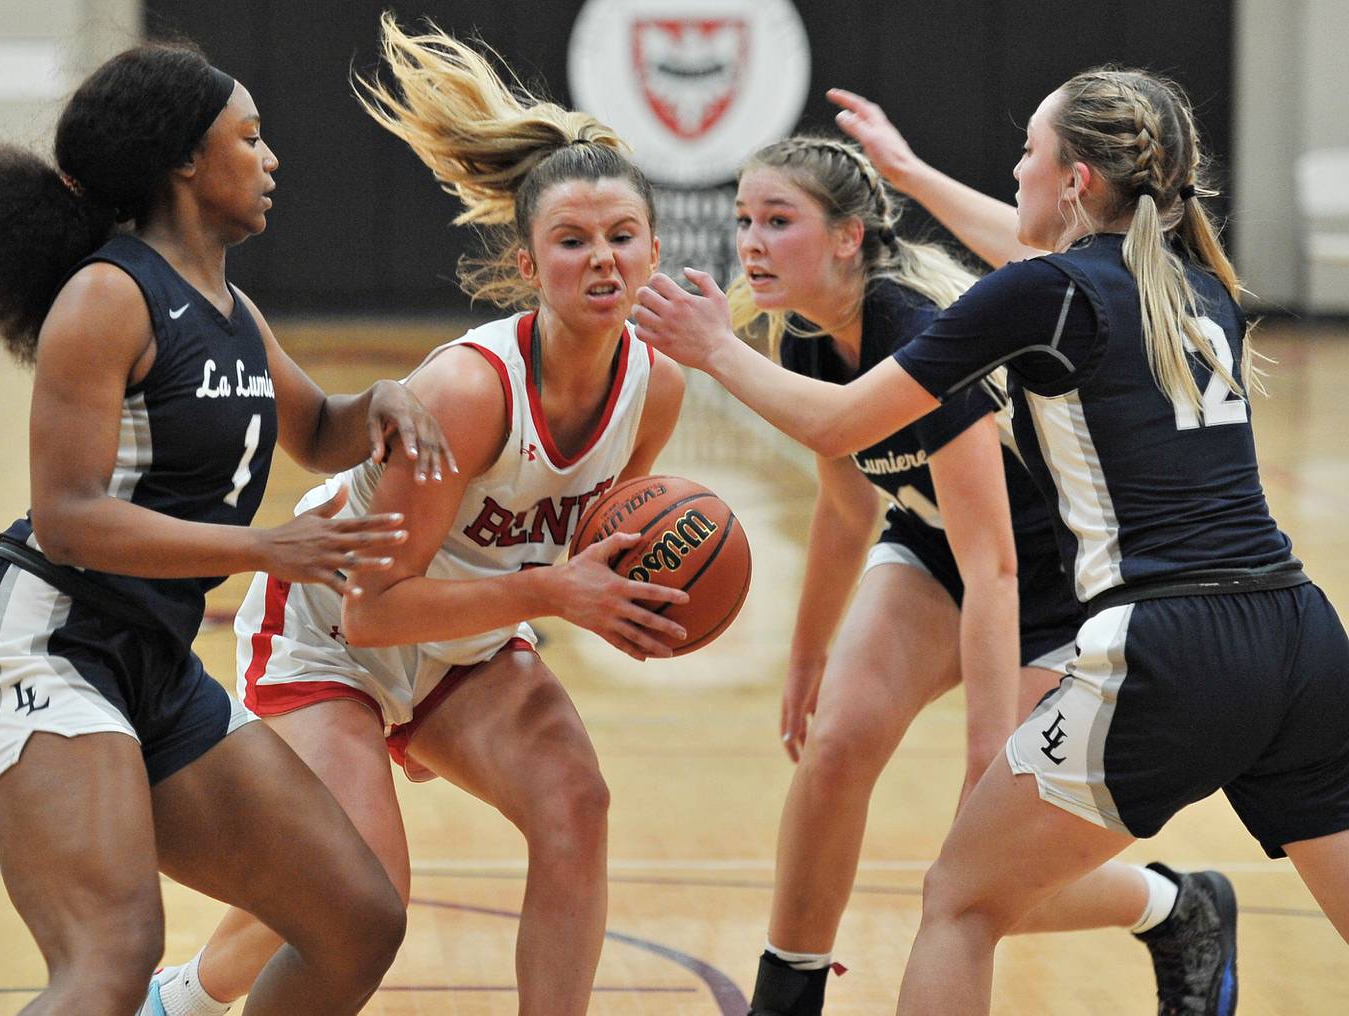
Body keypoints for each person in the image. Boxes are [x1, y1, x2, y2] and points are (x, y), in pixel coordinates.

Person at [635, 66, 1349, 1016]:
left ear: (1076, 181)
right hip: (1300, 633)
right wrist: (914, 174)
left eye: (1029, 151)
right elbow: (1033, 268)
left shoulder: (1048, 293)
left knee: (959, 903)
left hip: (1169, 646)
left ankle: (1172, 910)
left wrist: (716, 347)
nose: (1015, 169)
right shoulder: (1190, 284)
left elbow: (847, 423)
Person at [142, 14, 686, 1016]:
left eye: (621, 238)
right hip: (333, 631)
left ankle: (176, 996)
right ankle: (180, 997)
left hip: (464, 636)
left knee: (577, 801)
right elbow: (372, 612)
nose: (602, 261)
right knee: (363, 896)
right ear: (528, 264)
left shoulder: (658, 389)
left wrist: (643, 590)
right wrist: (555, 593)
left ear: (654, 248)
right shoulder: (469, 392)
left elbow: (589, 542)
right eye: (572, 241)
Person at [0, 42, 458, 1016]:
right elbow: (70, 516)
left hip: (156, 660)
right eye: (249, 137)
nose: (271, 159)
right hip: (51, 641)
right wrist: (261, 548)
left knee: (355, 916)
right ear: (184, 159)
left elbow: (315, 431)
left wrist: (382, 399)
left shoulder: (232, 309)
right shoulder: (107, 296)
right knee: (113, 950)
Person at [725, 135, 1234, 1016]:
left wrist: (985, 746)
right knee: (837, 746)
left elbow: (995, 564)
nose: (751, 243)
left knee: (986, 876)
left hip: (1053, 584)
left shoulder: (913, 326)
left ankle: (1174, 904)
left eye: (778, 220)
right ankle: (788, 992)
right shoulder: (809, 335)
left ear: (847, 238)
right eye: (743, 221)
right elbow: (849, 508)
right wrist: (807, 656)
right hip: (937, 552)